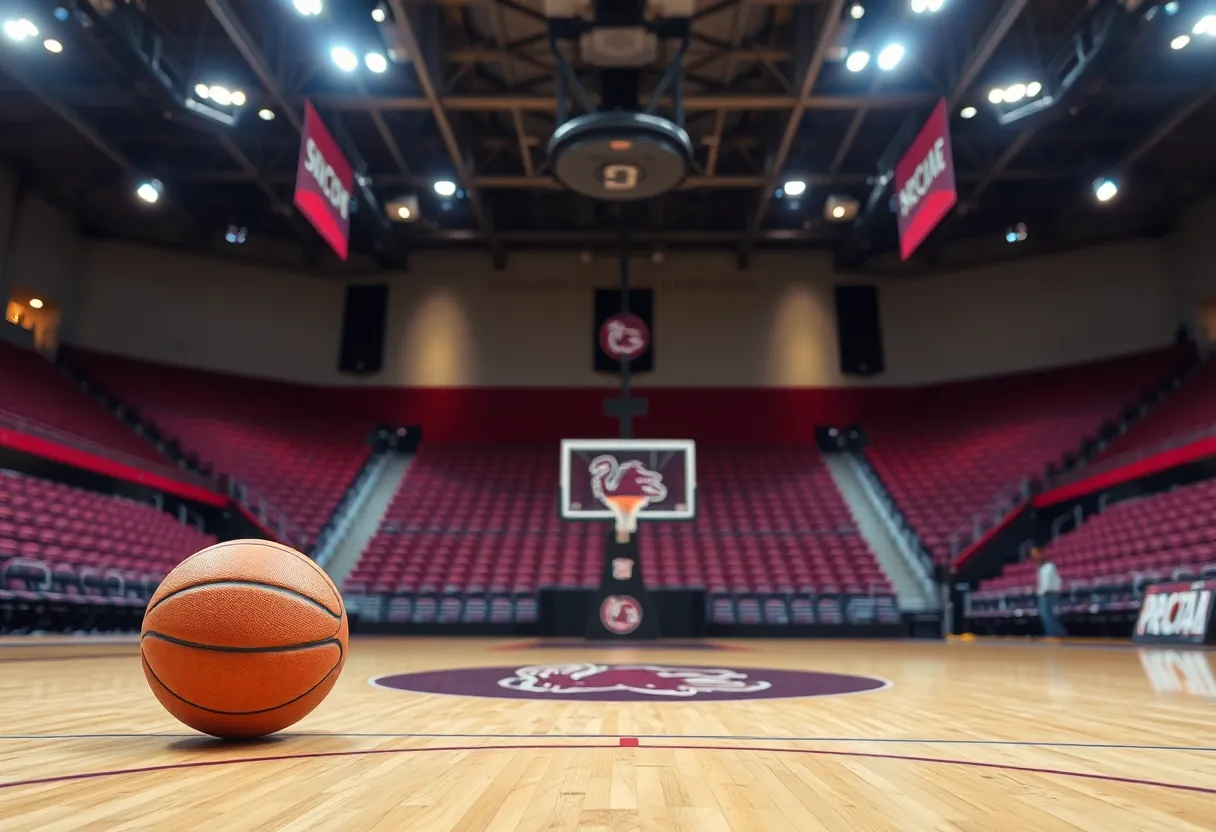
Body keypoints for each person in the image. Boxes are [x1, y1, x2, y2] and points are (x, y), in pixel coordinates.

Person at [1031, 546, 1067, 637]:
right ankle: (1053, 633)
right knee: (1044, 615)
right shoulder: (1039, 567)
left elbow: (1056, 580)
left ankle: (1055, 633)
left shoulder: (1049, 565)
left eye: (1035, 553)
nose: (1034, 556)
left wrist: (1053, 589)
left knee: (1048, 615)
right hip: (1042, 593)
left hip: (1050, 592)